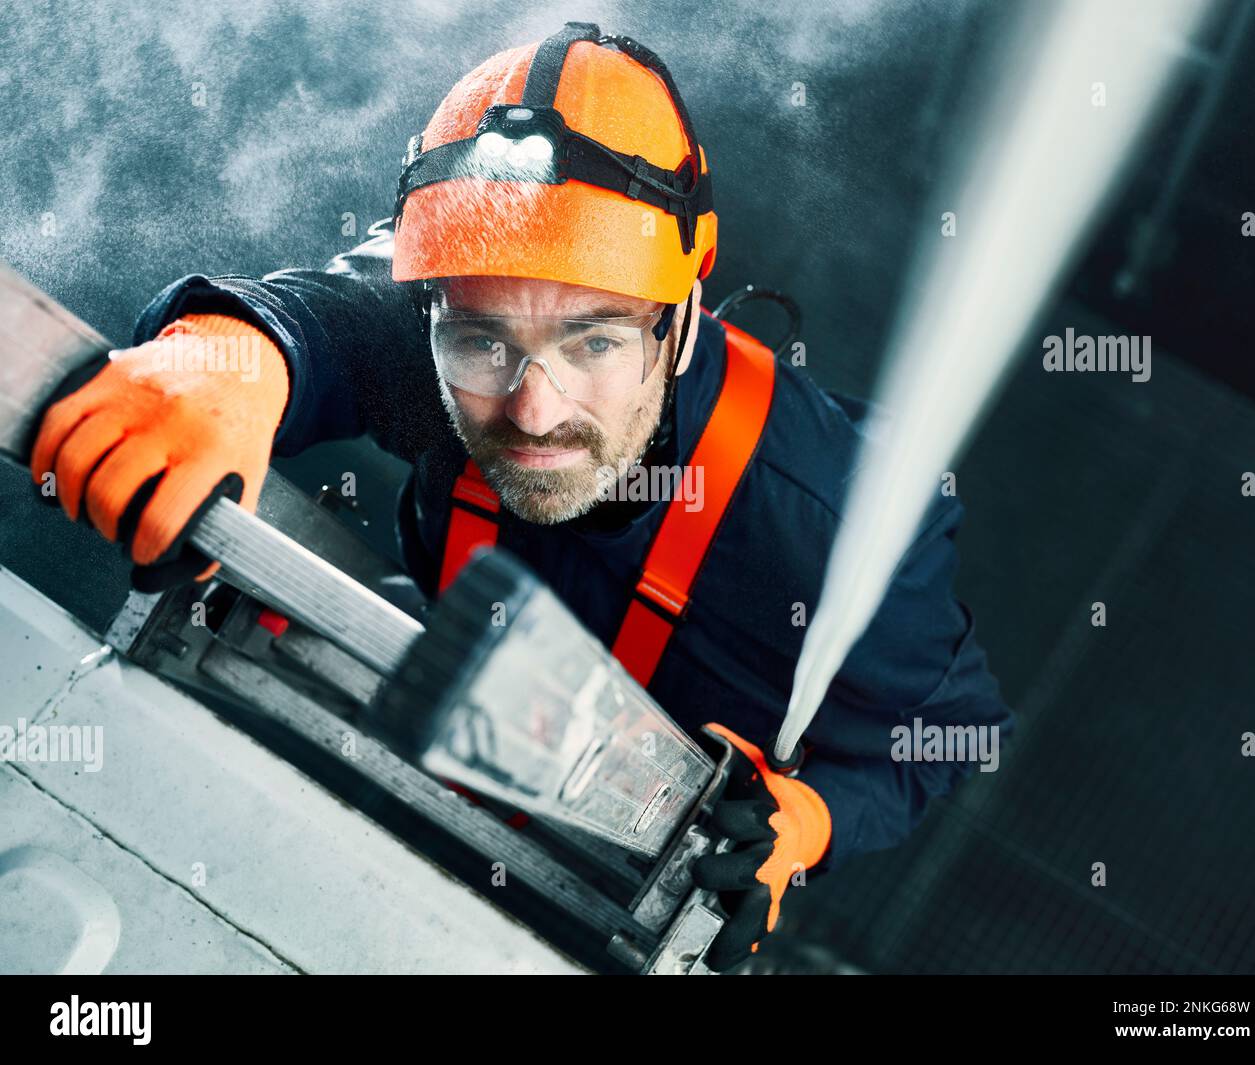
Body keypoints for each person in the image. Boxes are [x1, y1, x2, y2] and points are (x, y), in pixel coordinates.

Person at [30, 23, 1011, 970]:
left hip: (628, 893)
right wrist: (222, 359)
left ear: (687, 295)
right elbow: (329, 318)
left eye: (593, 342)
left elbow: (945, 740)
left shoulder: (834, 529)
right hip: (429, 757)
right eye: (481, 343)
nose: (532, 411)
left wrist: (809, 824)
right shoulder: (449, 319)